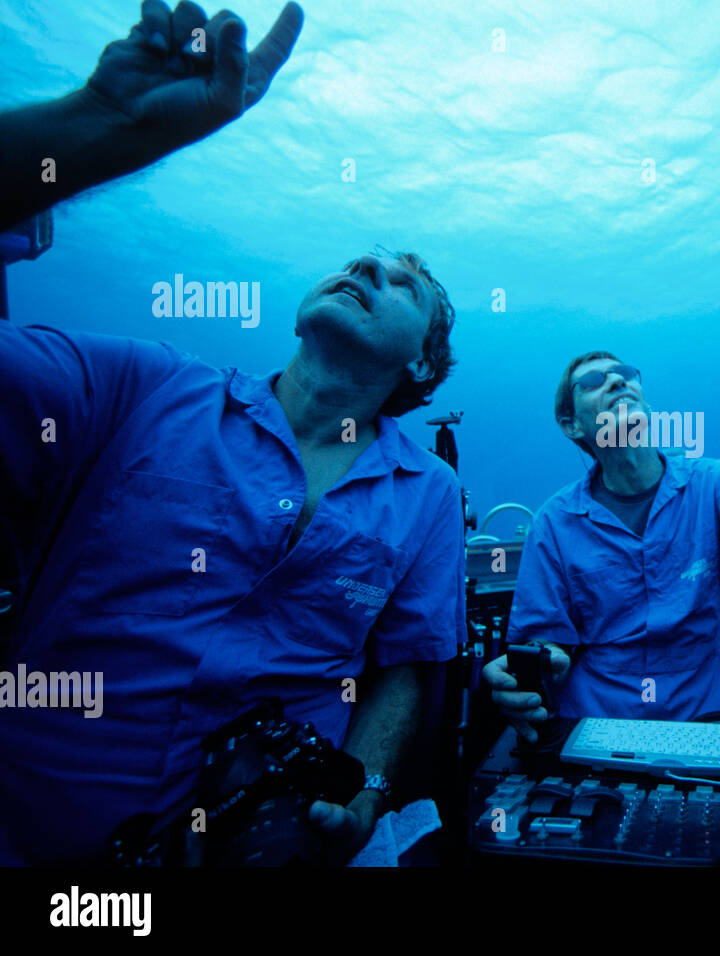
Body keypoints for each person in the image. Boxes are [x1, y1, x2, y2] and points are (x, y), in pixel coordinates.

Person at [0, 1, 466, 865]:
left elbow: (405, 662)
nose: (365, 266)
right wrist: (93, 130)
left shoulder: (431, 493)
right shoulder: (136, 388)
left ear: (422, 369)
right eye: (361, 259)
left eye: (403, 283)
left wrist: (363, 789)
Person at [484, 307, 720, 740]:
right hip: (598, 726)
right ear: (571, 424)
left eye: (625, 373)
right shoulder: (553, 522)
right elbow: (542, 645)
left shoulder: (712, 482)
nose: (618, 380)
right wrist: (541, 665)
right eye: (591, 381)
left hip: (715, 719)